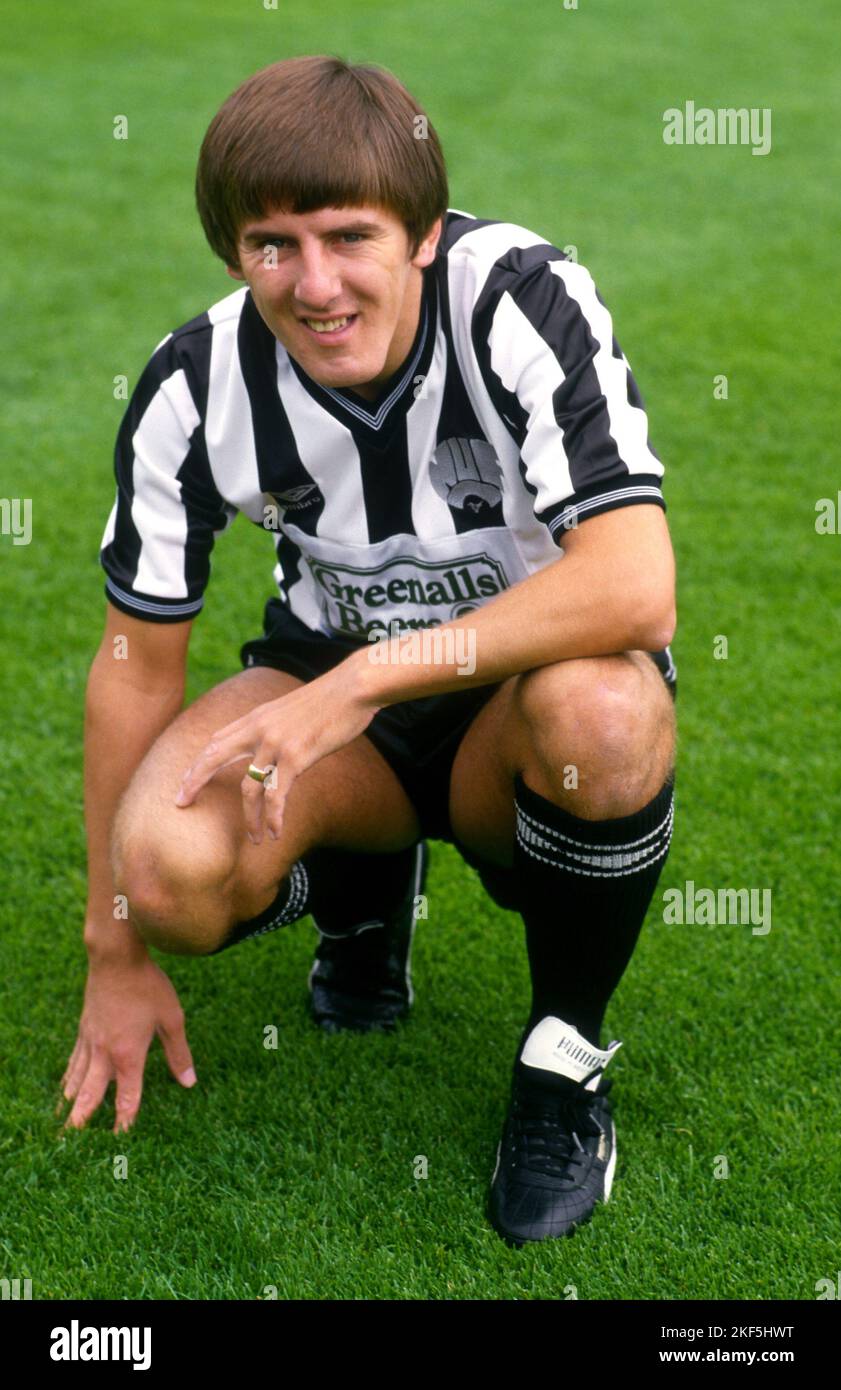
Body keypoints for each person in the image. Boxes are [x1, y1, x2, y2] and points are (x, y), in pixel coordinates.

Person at [60, 54, 677, 1247]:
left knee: (604, 718)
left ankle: (560, 1062)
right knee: (167, 861)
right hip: (332, 707)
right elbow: (137, 661)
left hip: (517, 706)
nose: (317, 283)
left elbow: (637, 585)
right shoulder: (195, 382)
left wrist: (366, 677)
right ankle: (363, 896)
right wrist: (116, 943)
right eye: (271, 245)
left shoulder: (519, 295)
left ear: (423, 234)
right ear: (232, 254)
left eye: (350, 235)